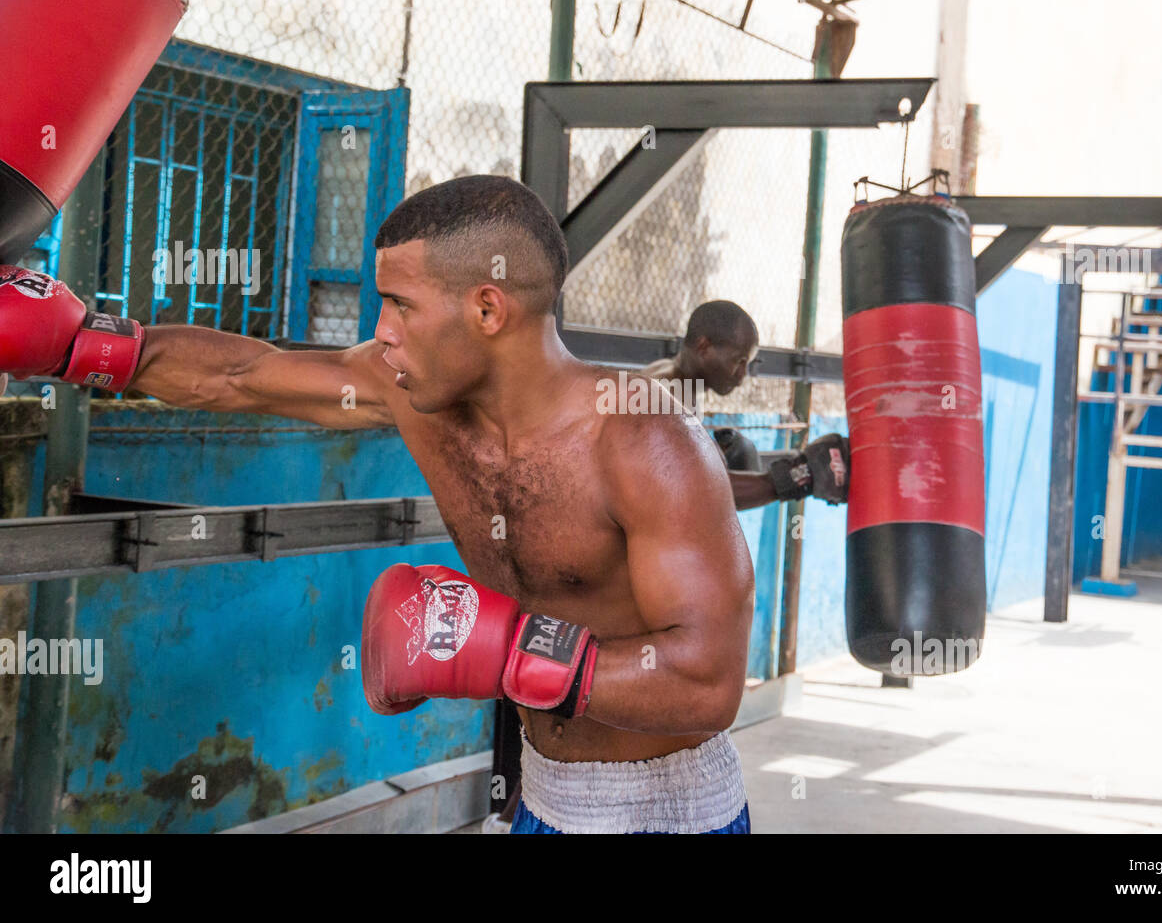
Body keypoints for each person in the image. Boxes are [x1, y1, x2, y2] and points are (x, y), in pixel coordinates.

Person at [0, 175, 757, 834]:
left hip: (667, 812)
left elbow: (708, 683)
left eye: (401, 306)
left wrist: (513, 653)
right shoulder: (411, 394)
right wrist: (83, 347)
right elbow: (247, 375)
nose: (382, 334)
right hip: (549, 793)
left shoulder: (642, 440)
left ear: (487, 310)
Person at [643, 301, 851, 510]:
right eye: (738, 361)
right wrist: (792, 478)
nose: (742, 376)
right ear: (704, 347)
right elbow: (688, 489)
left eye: (747, 364)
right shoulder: (671, 397)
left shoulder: (670, 375)